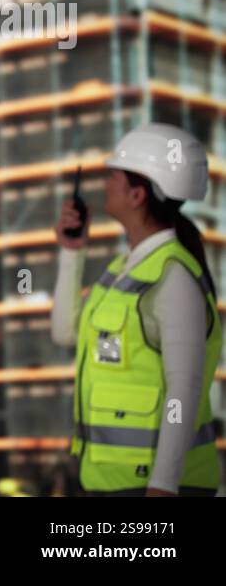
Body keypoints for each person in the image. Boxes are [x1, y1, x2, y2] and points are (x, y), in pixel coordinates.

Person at [52, 122, 221, 496]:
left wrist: (163, 484)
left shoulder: (172, 277)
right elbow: (65, 332)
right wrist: (71, 252)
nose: (104, 183)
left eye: (113, 175)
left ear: (137, 195)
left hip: (157, 488)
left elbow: (184, 391)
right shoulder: (122, 271)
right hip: (109, 481)